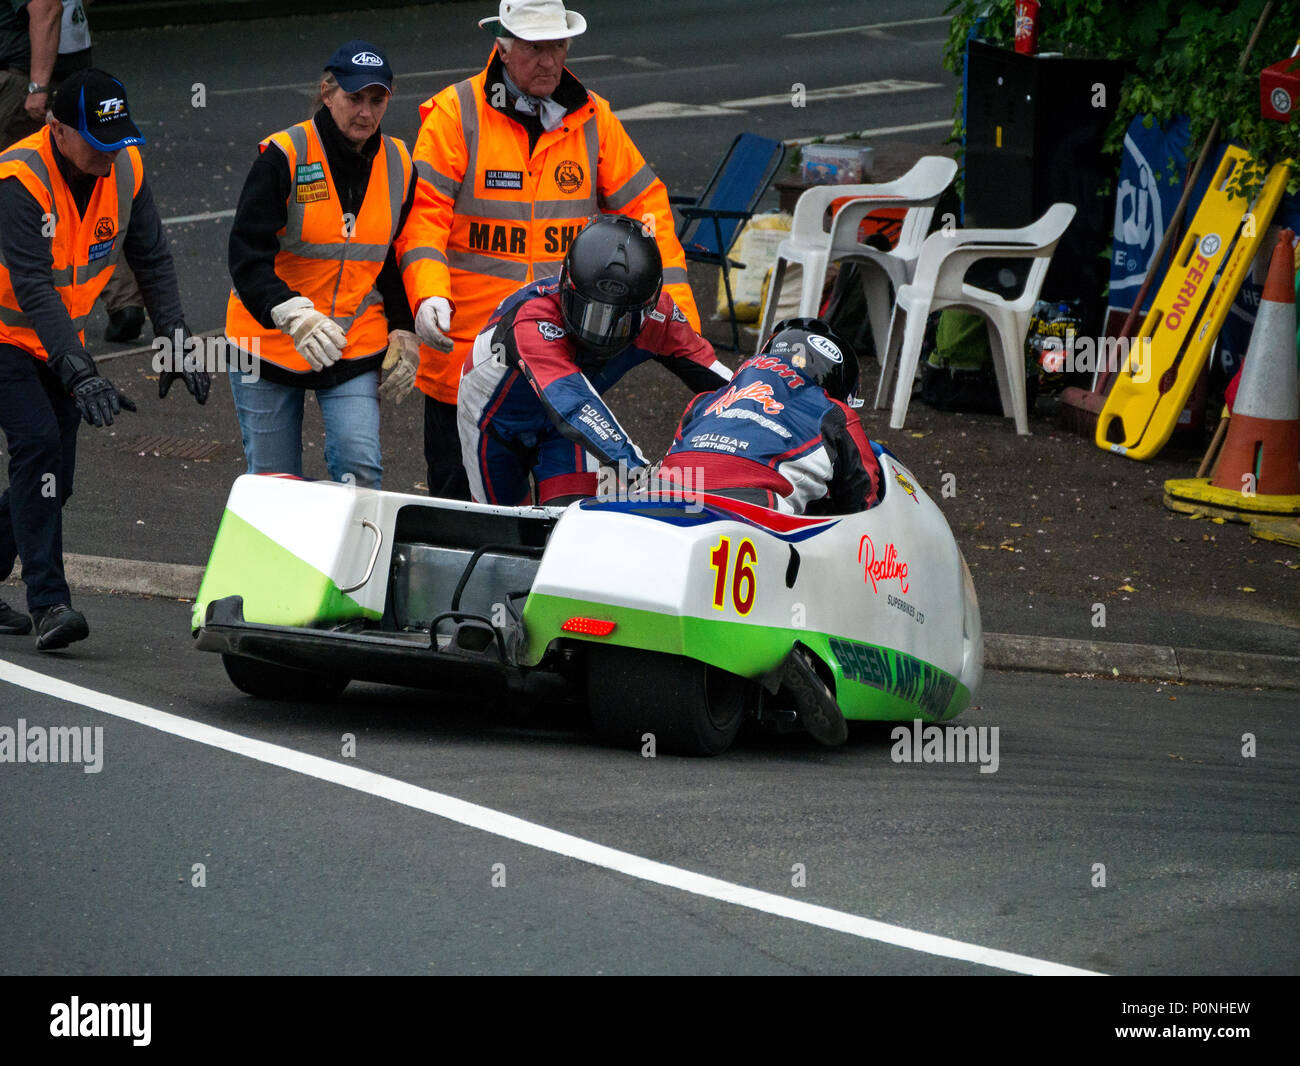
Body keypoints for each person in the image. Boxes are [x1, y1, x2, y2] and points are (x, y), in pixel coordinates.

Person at [398, 0, 702, 499]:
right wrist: (428, 295)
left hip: (564, 367)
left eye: (557, 46)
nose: (548, 61)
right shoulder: (456, 114)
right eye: (534, 48)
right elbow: (423, 219)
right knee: (465, 515)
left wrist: (677, 310)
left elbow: (648, 216)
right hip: (470, 364)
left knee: (568, 519)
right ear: (502, 45)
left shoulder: (592, 117)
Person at [0, 68, 209, 649]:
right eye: (96, 140)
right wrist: (79, 371)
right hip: (6, 337)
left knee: (52, 481)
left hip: (57, 339)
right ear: (56, 128)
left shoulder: (125, 167)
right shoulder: (19, 178)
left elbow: (153, 258)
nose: (109, 152)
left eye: (117, 138)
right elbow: (34, 284)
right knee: (38, 445)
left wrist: (173, 337)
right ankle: (50, 605)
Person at [225, 40, 419, 491]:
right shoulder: (284, 154)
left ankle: (350, 563)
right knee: (274, 485)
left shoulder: (398, 162)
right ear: (327, 93)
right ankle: (280, 564)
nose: (365, 113)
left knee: (360, 468)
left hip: (352, 340)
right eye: (354, 98)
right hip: (268, 341)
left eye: (377, 100)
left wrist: (404, 327)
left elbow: (391, 256)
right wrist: (293, 314)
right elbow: (246, 256)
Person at [457, 214, 728, 505]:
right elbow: (571, 402)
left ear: (647, 308)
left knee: (571, 518)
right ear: (565, 285)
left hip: (567, 429)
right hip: (492, 425)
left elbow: (726, 381)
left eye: (618, 320)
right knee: (504, 527)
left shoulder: (661, 317)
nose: (599, 332)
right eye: (588, 312)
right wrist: (638, 471)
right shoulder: (532, 319)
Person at [657, 318, 882, 514]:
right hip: (751, 506)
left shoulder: (704, 401)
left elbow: (674, 456)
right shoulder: (834, 413)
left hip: (661, 490)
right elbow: (864, 500)